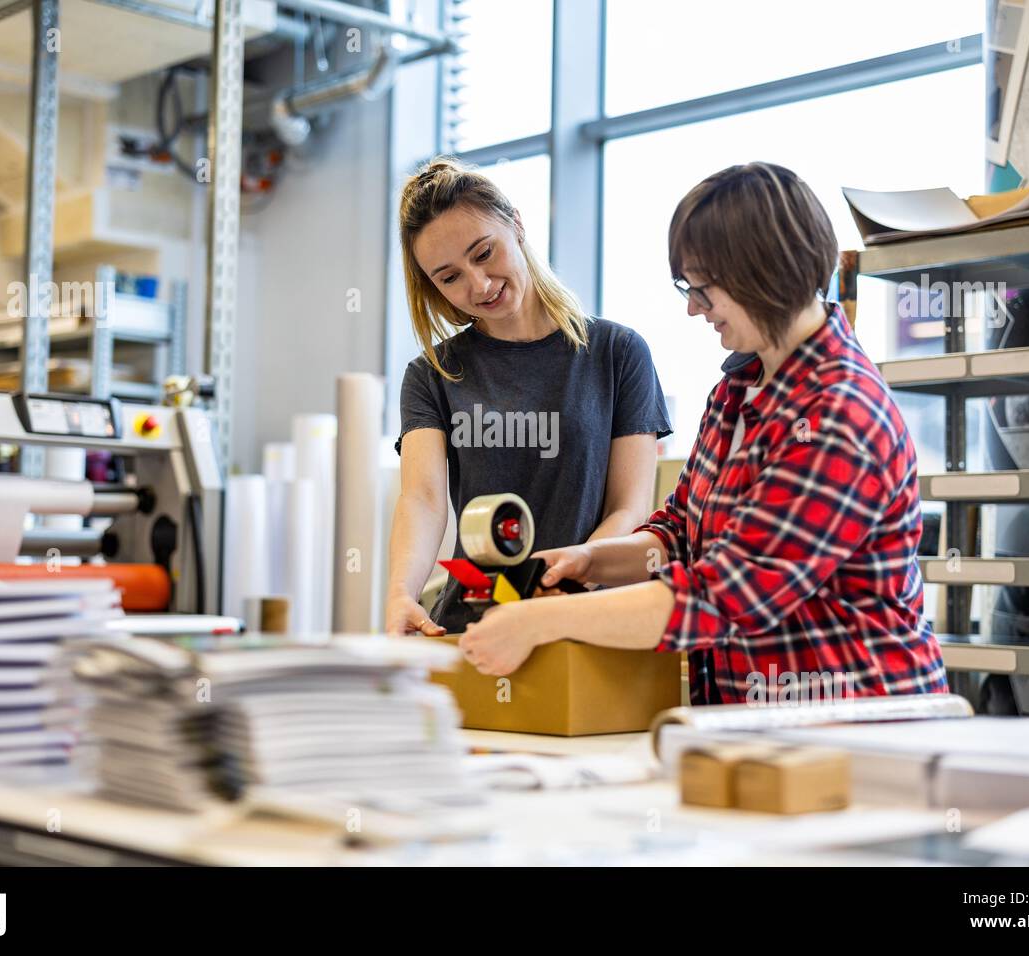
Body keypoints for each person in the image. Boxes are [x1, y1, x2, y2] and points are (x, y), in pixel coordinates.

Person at [459, 162, 948, 704]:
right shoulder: (737, 392)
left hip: (861, 723)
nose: (693, 308)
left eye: (704, 289)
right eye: (687, 288)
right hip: (758, 724)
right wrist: (591, 561)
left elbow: (724, 596)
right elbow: (678, 535)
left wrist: (539, 622)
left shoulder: (837, 413)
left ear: (765, 273)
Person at [386, 157, 673, 636]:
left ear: (516, 225)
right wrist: (400, 592)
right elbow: (423, 499)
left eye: (484, 253)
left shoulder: (617, 353)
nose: (479, 285)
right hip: (473, 628)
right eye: (449, 277)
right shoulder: (432, 374)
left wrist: (572, 576)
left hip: (581, 622)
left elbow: (629, 508)